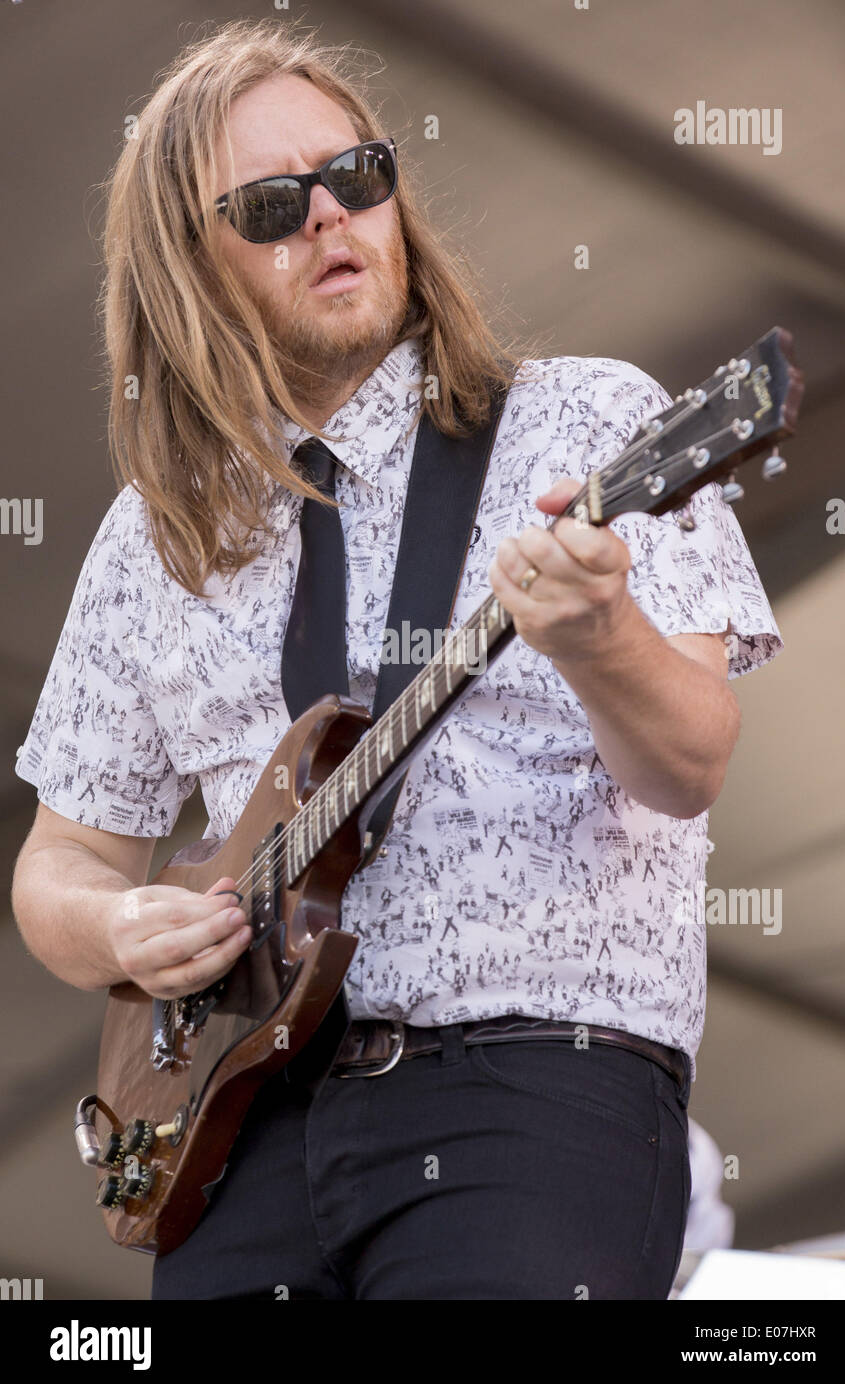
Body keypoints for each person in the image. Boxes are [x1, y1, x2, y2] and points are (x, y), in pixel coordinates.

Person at [10, 18, 781, 1301]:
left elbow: (690, 760)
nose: (328, 218)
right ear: (183, 269)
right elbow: (60, 862)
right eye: (270, 204)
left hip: (529, 1093)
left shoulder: (583, 421)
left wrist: (597, 636)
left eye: (356, 177)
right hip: (238, 1133)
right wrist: (115, 924)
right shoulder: (155, 538)